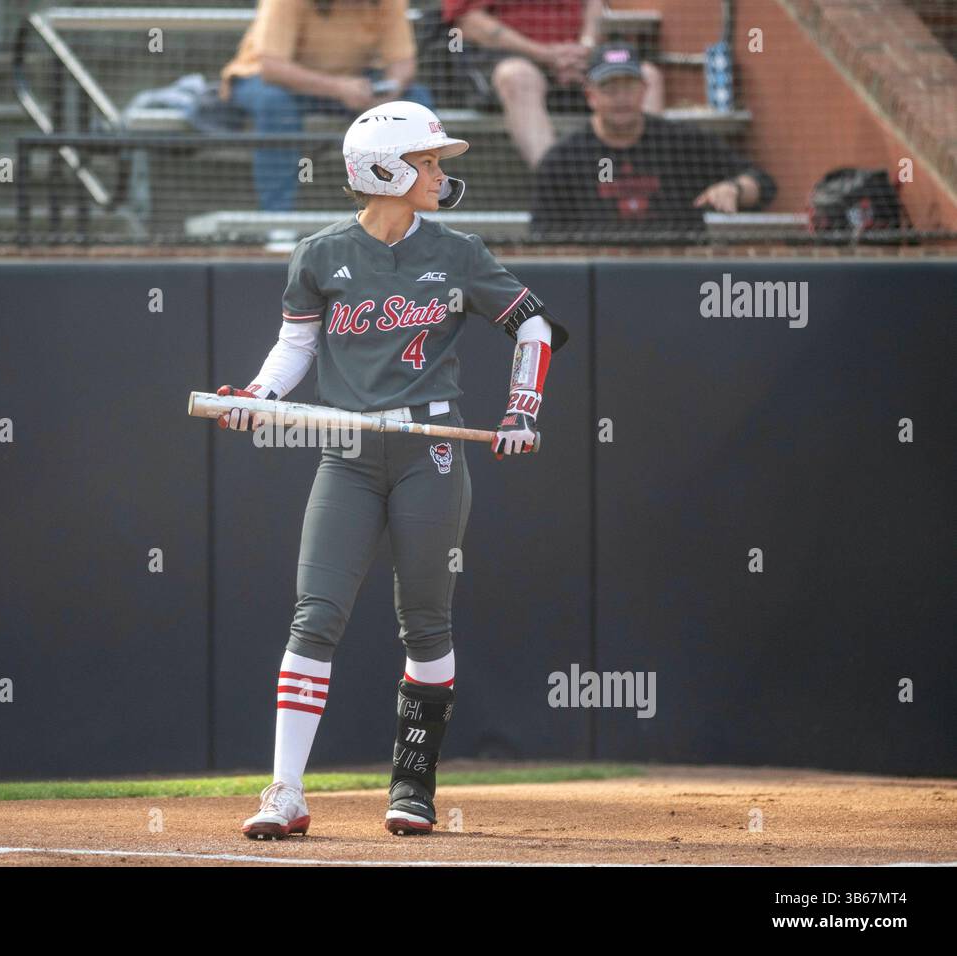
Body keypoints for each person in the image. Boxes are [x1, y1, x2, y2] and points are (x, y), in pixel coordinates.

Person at [217, 101, 569, 838]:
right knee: (314, 616)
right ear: (387, 169)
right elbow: (295, 348)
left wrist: (522, 409)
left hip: (432, 451)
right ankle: (284, 792)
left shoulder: (460, 252)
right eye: (430, 161)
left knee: (426, 623)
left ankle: (412, 786)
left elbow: (533, 324)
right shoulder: (317, 255)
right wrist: (257, 395)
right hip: (346, 455)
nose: (440, 173)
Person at [531, 43, 776, 238]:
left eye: (629, 86)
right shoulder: (563, 159)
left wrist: (735, 188)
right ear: (590, 95)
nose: (621, 98)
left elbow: (764, 183)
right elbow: (543, 237)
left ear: (644, 89)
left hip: (678, 269)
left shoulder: (680, 143)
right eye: (609, 88)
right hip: (600, 278)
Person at [220, 0, 437, 211]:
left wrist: (392, 89)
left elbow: (402, 62)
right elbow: (272, 68)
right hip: (268, 81)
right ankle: (277, 222)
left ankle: (410, 210)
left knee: (415, 100)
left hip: (350, 80)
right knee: (275, 104)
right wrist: (338, 88)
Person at [444, 0, 664, 169]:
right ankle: (554, 180)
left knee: (648, 75)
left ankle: (641, 175)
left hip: (578, 55)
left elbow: (595, 4)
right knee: (518, 76)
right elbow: (468, 21)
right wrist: (545, 54)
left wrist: (584, 49)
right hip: (508, 56)